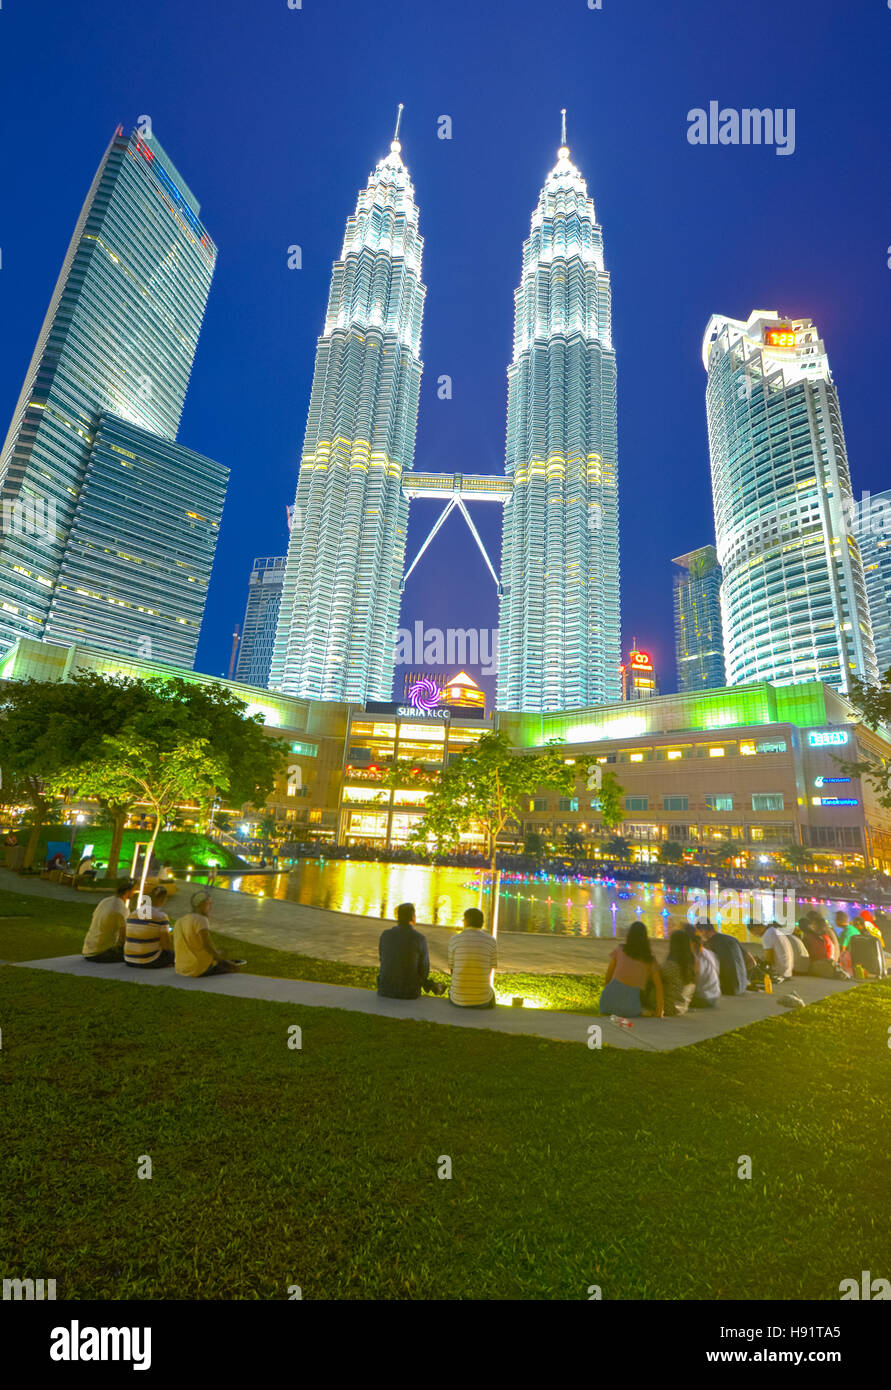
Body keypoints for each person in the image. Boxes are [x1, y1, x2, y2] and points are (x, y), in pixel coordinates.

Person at [377, 902, 446, 999]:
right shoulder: (419, 938)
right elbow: (424, 970)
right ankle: (433, 986)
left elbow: (382, 959)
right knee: (415, 974)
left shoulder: (385, 935)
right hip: (409, 992)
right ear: (413, 917)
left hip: (385, 989)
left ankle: (432, 986)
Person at [599, 921, 664, 1018]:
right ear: (645, 938)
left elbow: (608, 975)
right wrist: (659, 1011)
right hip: (629, 1008)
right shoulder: (649, 960)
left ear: (629, 935)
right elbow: (659, 987)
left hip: (606, 1004)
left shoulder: (620, 950)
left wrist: (607, 995)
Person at [174, 891, 240, 977]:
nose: (210, 907)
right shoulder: (201, 919)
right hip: (196, 968)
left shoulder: (180, 920)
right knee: (224, 957)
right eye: (208, 903)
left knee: (220, 952)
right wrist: (223, 960)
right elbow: (207, 944)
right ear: (201, 904)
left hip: (181, 968)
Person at [448, 906, 498, 1009]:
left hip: (457, 999)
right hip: (482, 1000)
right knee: (491, 993)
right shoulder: (491, 941)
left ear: (465, 922)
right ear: (482, 923)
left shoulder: (454, 939)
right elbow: (490, 969)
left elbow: (452, 970)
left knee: (453, 989)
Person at [81, 879, 138, 962]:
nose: (134, 892)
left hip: (88, 949)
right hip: (100, 953)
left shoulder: (105, 901)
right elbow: (123, 937)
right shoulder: (121, 909)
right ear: (127, 891)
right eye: (133, 890)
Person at [124, 886, 174, 969]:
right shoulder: (161, 916)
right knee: (175, 955)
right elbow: (166, 944)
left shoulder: (133, 913)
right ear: (162, 899)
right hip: (149, 960)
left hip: (129, 959)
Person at [700, 921, 748, 995]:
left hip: (726, 988)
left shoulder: (709, 944)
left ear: (703, 931)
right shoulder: (732, 939)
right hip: (742, 987)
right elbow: (752, 961)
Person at [659, 930, 697, 1016]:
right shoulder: (691, 963)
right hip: (682, 1008)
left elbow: (657, 977)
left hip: (669, 1008)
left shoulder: (671, 964)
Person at [689, 933, 721, 1007]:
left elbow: (694, 979)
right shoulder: (711, 954)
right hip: (715, 997)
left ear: (693, 943)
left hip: (703, 999)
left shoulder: (695, 958)